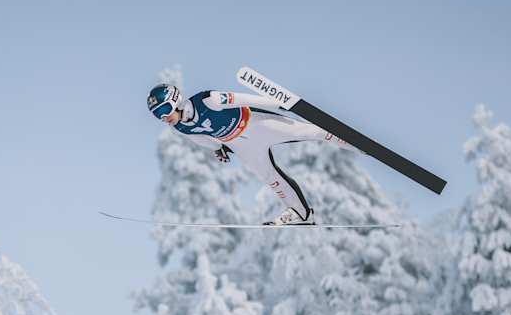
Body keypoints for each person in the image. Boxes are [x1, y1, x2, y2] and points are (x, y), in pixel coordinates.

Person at [146, 84, 361, 225]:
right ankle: (301, 213)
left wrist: (282, 104)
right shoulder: (179, 127)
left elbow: (246, 99)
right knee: (270, 177)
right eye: (157, 115)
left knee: (310, 132)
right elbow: (200, 138)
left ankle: (355, 143)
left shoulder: (208, 100)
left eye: (164, 110)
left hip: (256, 124)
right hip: (240, 145)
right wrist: (217, 148)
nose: (164, 118)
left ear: (176, 100)